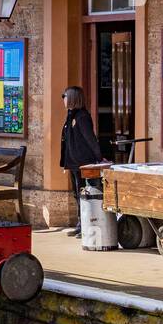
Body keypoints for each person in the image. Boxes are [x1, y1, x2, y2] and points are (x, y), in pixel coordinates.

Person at [60, 86, 102, 235]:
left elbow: (90, 139)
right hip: (73, 162)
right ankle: (80, 223)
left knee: (83, 193)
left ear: (72, 98)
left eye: (64, 96)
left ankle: (84, 225)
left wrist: (99, 157)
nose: (63, 99)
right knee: (76, 193)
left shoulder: (82, 116)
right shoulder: (71, 115)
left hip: (82, 161)